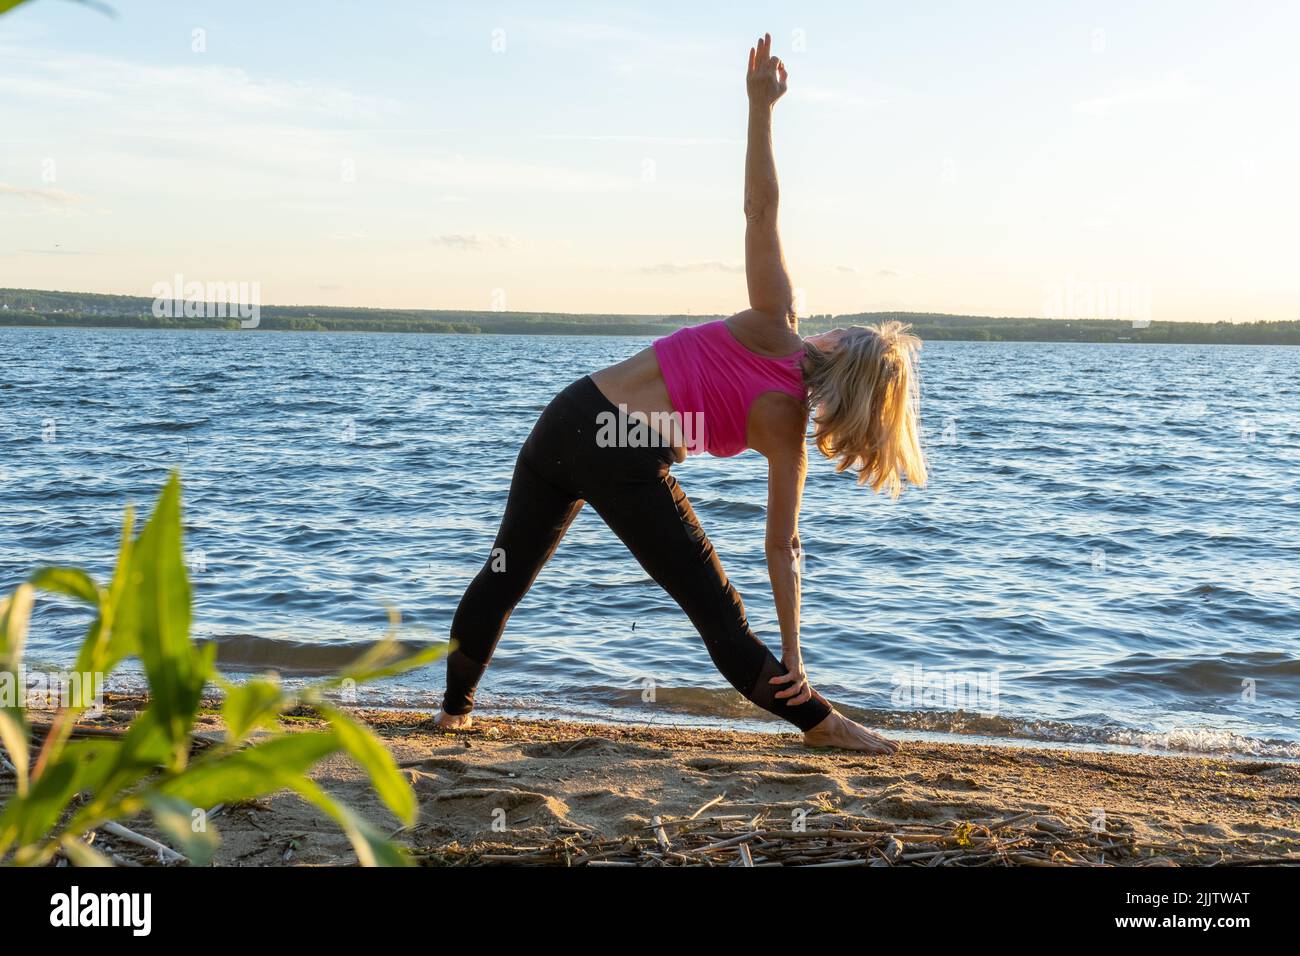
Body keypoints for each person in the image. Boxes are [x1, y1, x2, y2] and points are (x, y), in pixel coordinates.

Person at [437, 34, 927, 752]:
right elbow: (783, 547)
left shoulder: (775, 324)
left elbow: (760, 211)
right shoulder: (786, 425)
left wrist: (759, 109)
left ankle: (452, 715)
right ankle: (822, 725)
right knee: (718, 616)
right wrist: (793, 650)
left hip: (572, 416)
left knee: (503, 571)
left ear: (838, 349)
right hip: (624, 451)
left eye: (857, 327)